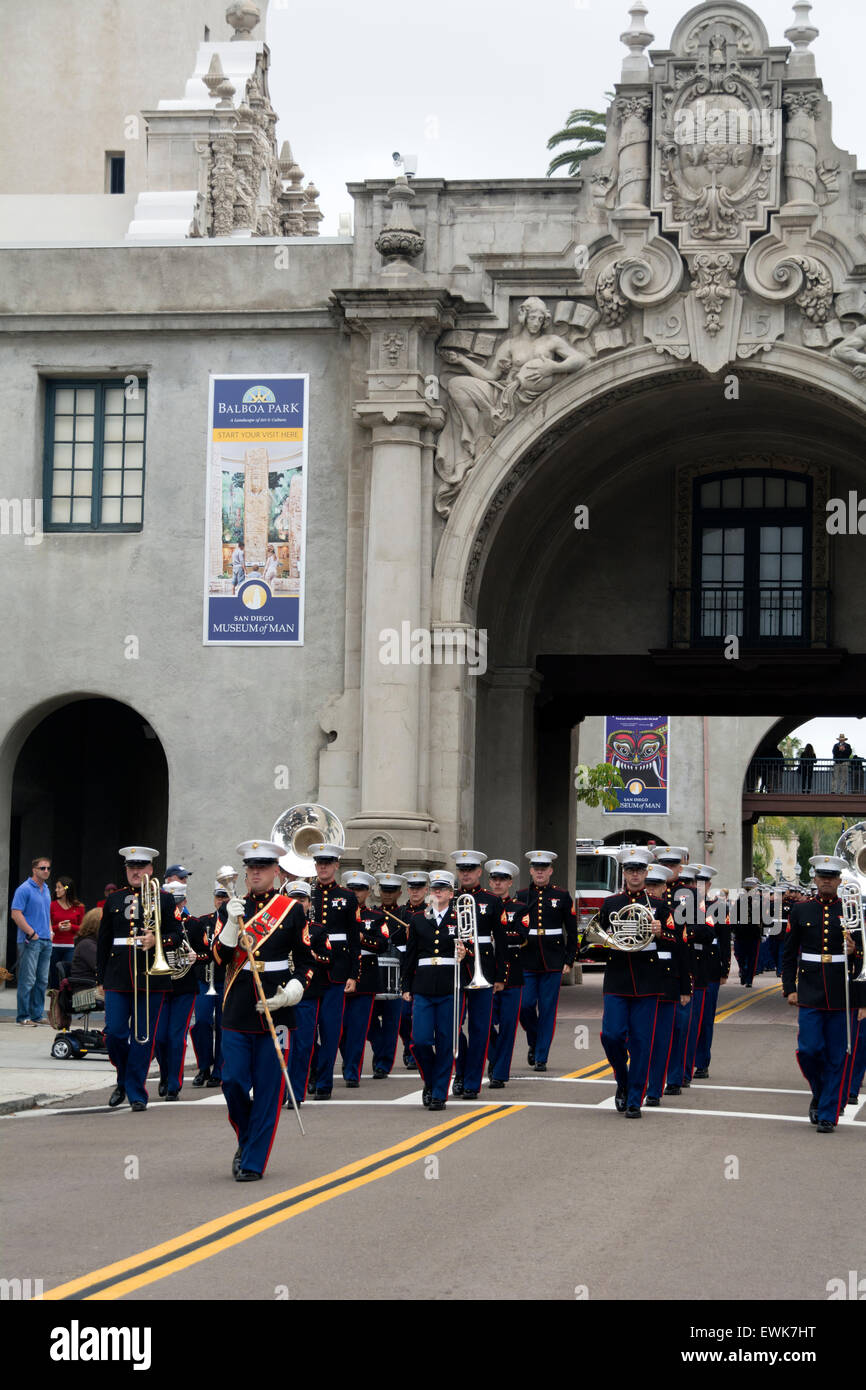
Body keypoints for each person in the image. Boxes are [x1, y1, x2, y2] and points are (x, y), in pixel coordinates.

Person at [214, 840, 310, 1181]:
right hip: (238, 1004)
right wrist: (229, 925)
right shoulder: (233, 907)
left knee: (269, 1088)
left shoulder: (291, 909)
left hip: (277, 1004)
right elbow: (218, 958)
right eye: (251, 868)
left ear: (275, 871)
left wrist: (294, 991)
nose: (255, 873)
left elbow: (306, 960)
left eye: (262, 867)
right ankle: (247, 1137)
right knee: (233, 1081)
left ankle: (253, 1161)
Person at [96, 847, 184, 1111]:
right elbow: (103, 941)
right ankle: (122, 1078)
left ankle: (136, 1091)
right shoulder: (114, 900)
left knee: (143, 1038)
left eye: (141, 866)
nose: (135, 871)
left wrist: (157, 939)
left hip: (151, 976)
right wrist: (100, 976)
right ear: (126, 870)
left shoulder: (164, 898)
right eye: (131, 867)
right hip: (118, 975)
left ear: (150, 870)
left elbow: (177, 935)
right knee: (114, 1033)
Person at [782, 854, 865, 1132]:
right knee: (808, 1050)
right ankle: (819, 1093)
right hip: (810, 990)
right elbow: (789, 953)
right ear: (815, 879)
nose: (827, 881)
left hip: (844, 992)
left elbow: (863, 958)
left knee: (837, 1054)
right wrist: (789, 988)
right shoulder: (801, 910)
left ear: (840, 880)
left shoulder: (852, 911)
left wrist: (855, 953)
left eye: (832, 877)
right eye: (822, 876)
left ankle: (828, 1112)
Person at [599, 847, 676, 1117]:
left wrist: (661, 931)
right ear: (624, 873)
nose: (635, 874)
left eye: (639, 870)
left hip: (647, 980)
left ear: (646, 873)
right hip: (617, 978)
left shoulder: (659, 906)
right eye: (630, 870)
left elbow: (678, 942)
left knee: (643, 1041)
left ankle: (634, 1098)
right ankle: (623, 1079)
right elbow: (593, 942)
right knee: (611, 1035)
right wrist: (606, 939)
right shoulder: (611, 904)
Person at [402, 869, 466, 1111]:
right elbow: (410, 956)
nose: (437, 891)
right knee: (419, 1040)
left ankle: (439, 1092)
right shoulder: (418, 919)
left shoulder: (461, 919)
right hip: (424, 987)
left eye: (442, 888)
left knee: (446, 1041)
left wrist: (465, 954)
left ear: (451, 894)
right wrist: (406, 985)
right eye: (434, 888)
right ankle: (430, 1081)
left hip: (450, 986)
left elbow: (469, 951)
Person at [449, 849, 505, 1097]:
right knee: (453, 1026)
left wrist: (501, 976)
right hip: (456, 970)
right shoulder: (450, 900)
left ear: (479, 872)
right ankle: (459, 1072)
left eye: (470, 870)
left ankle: (472, 1082)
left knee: (480, 1028)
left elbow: (501, 942)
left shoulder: (492, 901)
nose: (466, 874)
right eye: (462, 870)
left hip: (483, 970)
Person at [516, 850, 577, 1072]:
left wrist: (570, 958)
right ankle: (534, 1040)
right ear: (531, 871)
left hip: (553, 959)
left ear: (550, 871)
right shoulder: (522, 896)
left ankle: (541, 1056)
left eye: (544, 869)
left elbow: (571, 931)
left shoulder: (562, 896)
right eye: (536, 869)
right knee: (525, 1006)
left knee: (548, 1009)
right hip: (527, 958)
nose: (540, 872)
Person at [308, 844, 360, 1100]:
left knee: (330, 1030)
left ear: (336, 865)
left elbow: (353, 938)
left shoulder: (347, 896)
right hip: (310, 969)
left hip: (337, 971)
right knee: (306, 1030)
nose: (323, 867)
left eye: (328, 862)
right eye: (319, 863)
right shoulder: (307, 893)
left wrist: (354, 973)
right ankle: (313, 1071)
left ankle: (325, 1083)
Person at [644, 863, 691, 1106]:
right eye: (648, 884)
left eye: (656, 885)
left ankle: (653, 1090)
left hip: (667, 982)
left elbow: (682, 951)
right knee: (635, 1039)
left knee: (662, 1040)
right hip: (638, 983)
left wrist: (685, 988)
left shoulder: (672, 912)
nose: (651, 889)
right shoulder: (631, 909)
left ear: (664, 887)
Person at [338, 870, 389, 1086]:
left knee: (359, 1028)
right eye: (351, 889)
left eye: (359, 889)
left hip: (365, 976)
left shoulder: (376, 917)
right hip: (341, 973)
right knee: (339, 1028)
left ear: (367, 892)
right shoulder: (338, 915)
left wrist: (361, 937)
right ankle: (348, 1060)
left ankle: (352, 1071)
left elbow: (382, 944)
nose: (355, 893)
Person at [485, 859, 529, 1090]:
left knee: (509, 1025)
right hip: (485, 971)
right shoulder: (482, 905)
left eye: (502, 879)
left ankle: (500, 1072)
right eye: (494, 879)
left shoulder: (519, 908)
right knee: (486, 1023)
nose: (498, 883)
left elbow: (521, 935)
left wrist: (497, 936)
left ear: (510, 882)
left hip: (512, 972)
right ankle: (494, 1057)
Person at [153, 881, 199, 1099]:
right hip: (160, 985)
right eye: (171, 903)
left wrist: (195, 957)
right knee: (159, 1037)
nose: (175, 907)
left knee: (175, 1037)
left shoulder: (193, 925)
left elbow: (208, 953)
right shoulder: (155, 926)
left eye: (178, 902)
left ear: (184, 901)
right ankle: (165, 1073)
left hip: (184, 987)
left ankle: (174, 1084)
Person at [366, 873, 410, 1078]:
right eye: (384, 890)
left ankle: (384, 1063)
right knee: (369, 1020)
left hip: (395, 973)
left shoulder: (405, 915)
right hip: (374, 972)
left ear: (399, 893)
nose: (387, 895)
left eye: (392, 891)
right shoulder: (372, 915)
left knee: (394, 1019)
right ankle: (379, 1047)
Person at [188, 881, 230, 1088]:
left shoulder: (234, 922)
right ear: (214, 899)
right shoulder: (202, 922)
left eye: (225, 897)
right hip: (205, 980)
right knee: (202, 1022)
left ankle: (219, 1070)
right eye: (219, 897)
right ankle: (204, 1066)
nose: (222, 901)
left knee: (224, 1025)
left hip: (225, 980)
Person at [693, 865, 731, 1079]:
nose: (699, 886)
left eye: (703, 883)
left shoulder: (719, 907)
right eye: (696, 882)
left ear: (709, 885)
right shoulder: (684, 905)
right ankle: (686, 1059)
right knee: (689, 1018)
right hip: (691, 963)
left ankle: (702, 1062)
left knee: (706, 1017)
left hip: (710, 965)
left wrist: (724, 969)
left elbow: (725, 940)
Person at [11, 855, 54, 1026]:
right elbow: (16, 913)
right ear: (34, 870)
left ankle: (36, 1015)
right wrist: (31, 932)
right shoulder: (24, 889)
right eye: (42, 868)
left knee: (42, 980)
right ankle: (23, 1017)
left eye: (48, 868)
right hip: (31, 940)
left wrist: (50, 931)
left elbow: (46, 913)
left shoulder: (47, 889)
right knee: (27, 979)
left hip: (45, 940)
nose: (46, 871)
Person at [55, 909, 100, 1030]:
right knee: (120, 996)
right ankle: (113, 1033)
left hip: (90, 988)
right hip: (85, 992)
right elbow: (100, 968)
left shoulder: (92, 943)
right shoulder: (87, 945)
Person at [50, 876, 85, 984]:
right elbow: (47, 926)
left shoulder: (79, 907)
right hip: (54, 946)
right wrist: (57, 927)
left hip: (71, 946)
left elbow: (83, 929)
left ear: (66, 889)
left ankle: (66, 999)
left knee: (68, 975)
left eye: (59, 887)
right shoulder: (52, 905)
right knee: (54, 976)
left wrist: (71, 927)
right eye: (56, 887)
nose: (56, 890)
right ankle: (54, 999)